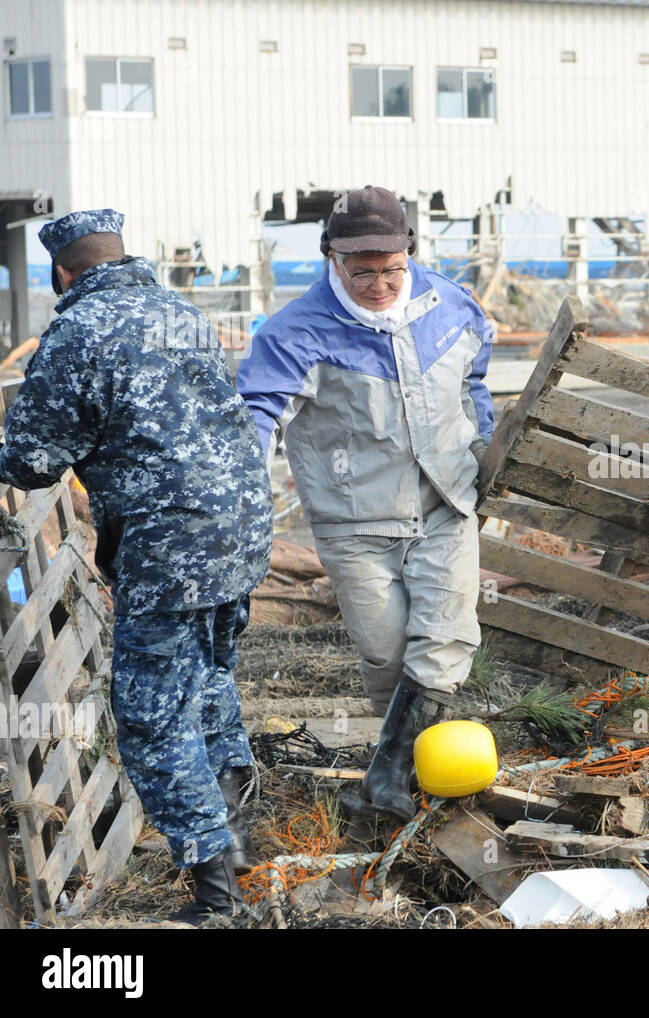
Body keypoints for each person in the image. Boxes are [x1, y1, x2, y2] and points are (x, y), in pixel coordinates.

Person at [0, 209, 273, 923]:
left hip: (170, 545)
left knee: (149, 717)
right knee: (209, 677)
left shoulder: (77, 332)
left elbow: (30, 461)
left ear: (63, 272)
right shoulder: (182, 311)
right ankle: (241, 837)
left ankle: (217, 895)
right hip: (239, 530)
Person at [236, 186, 494, 822]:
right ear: (332, 258)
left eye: (391, 270)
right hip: (355, 524)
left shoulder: (451, 305)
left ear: (410, 253)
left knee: (444, 642)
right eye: (363, 273)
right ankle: (406, 766)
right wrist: (241, 492)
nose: (379, 285)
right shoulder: (295, 331)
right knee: (385, 653)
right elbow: (257, 416)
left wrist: (484, 445)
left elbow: (475, 379)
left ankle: (392, 780)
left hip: (445, 504)